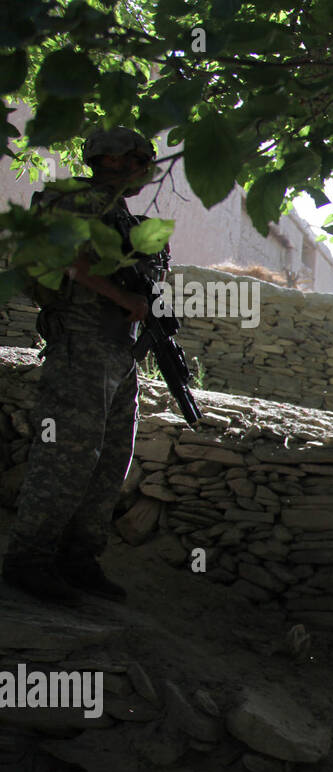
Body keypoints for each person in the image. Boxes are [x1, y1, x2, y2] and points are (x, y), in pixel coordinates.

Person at [3, 127, 162, 603]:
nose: (147, 168)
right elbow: (70, 261)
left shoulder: (118, 213)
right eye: (139, 158)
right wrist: (124, 297)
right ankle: (28, 559)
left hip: (117, 350)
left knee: (112, 458)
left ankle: (78, 558)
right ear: (110, 160)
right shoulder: (75, 201)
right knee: (67, 456)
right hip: (81, 343)